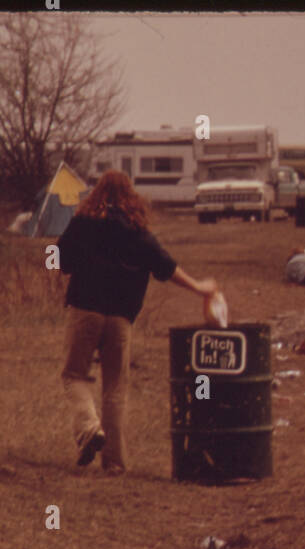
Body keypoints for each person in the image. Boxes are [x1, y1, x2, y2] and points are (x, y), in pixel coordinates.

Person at [57, 170, 218, 475]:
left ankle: (89, 429)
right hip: (121, 319)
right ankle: (115, 462)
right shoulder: (137, 230)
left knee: (74, 375)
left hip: (85, 312)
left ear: (96, 192)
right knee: (115, 387)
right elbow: (167, 267)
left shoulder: (83, 223)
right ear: (131, 195)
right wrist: (199, 287)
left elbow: (61, 261)